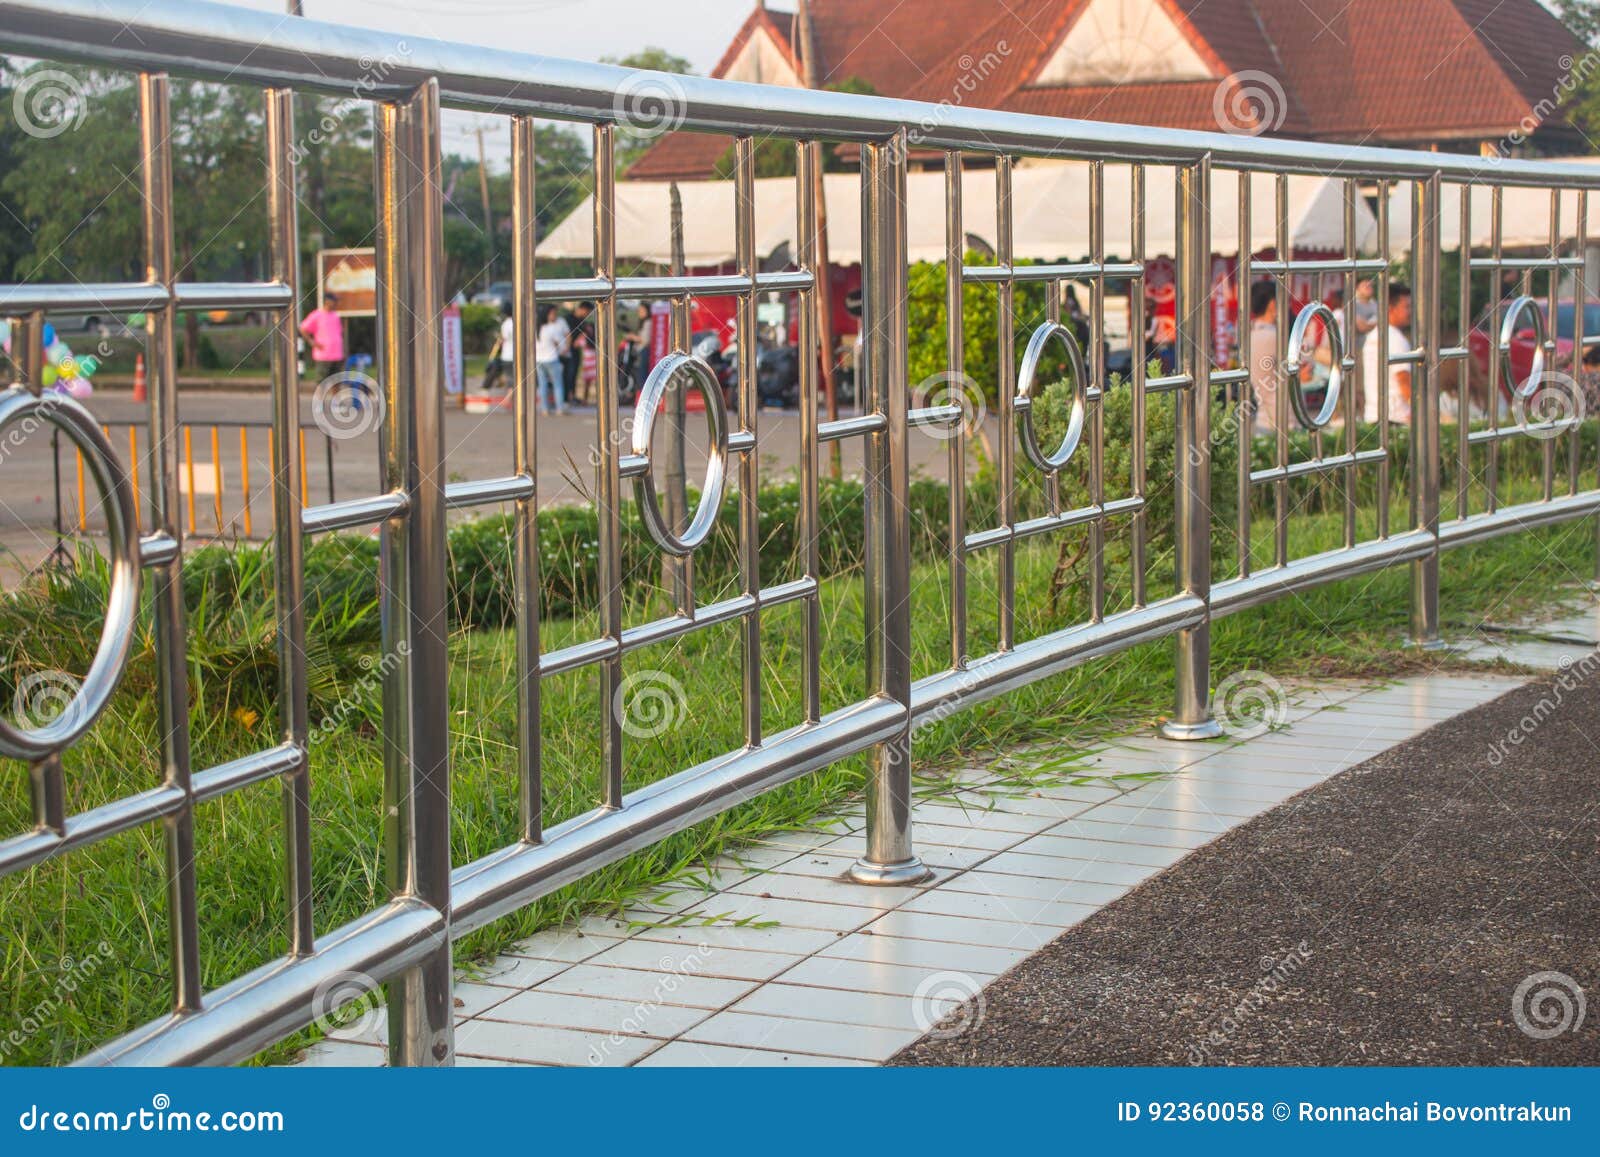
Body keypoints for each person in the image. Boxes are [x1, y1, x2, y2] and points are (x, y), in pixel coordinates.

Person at [1360, 282, 1413, 425]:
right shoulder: (1395, 339)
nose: (1411, 312)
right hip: (1396, 419)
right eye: (1406, 307)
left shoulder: (1375, 335)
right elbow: (1404, 380)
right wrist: (1419, 411)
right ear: (1390, 309)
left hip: (1374, 416)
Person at [1247, 279, 1279, 434]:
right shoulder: (1275, 337)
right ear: (1272, 304)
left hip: (1263, 418)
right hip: (1284, 419)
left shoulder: (1249, 335)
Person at [299, 292, 345, 381]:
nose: (335, 303)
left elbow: (339, 334)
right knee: (322, 380)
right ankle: (321, 395)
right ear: (327, 301)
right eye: (334, 301)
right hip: (323, 355)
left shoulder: (336, 316)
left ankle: (334, 395)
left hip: (337, 354)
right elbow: (303, 328)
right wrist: (311, 342)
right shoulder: (317, 315)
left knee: (337, 381)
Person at [536, 303, 570, 415]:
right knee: (558, 384)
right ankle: (559, 408)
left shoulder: (537, 328)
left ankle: (544, 408)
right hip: (552, 359)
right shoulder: (550, 328)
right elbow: (557, 344)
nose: (555, 316)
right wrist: (564, 349)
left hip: (539, 360)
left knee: (542, 385)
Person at [563, 300, 594, 405]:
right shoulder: (568, 319)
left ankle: (572, 395)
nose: (587, 315)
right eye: (587, 312)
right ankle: (567, 396)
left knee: (574, 373)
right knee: (568, 373)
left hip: (576, 351)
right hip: (567, 350)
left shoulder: (583, 321)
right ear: (583, 309)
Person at [482, 307, 514, 392]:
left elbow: (503, 339)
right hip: (515, 355)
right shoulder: (517, 322)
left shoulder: (506, 324)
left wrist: (498, 338)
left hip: (507, 355)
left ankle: (508, 398)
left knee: (511, 380)